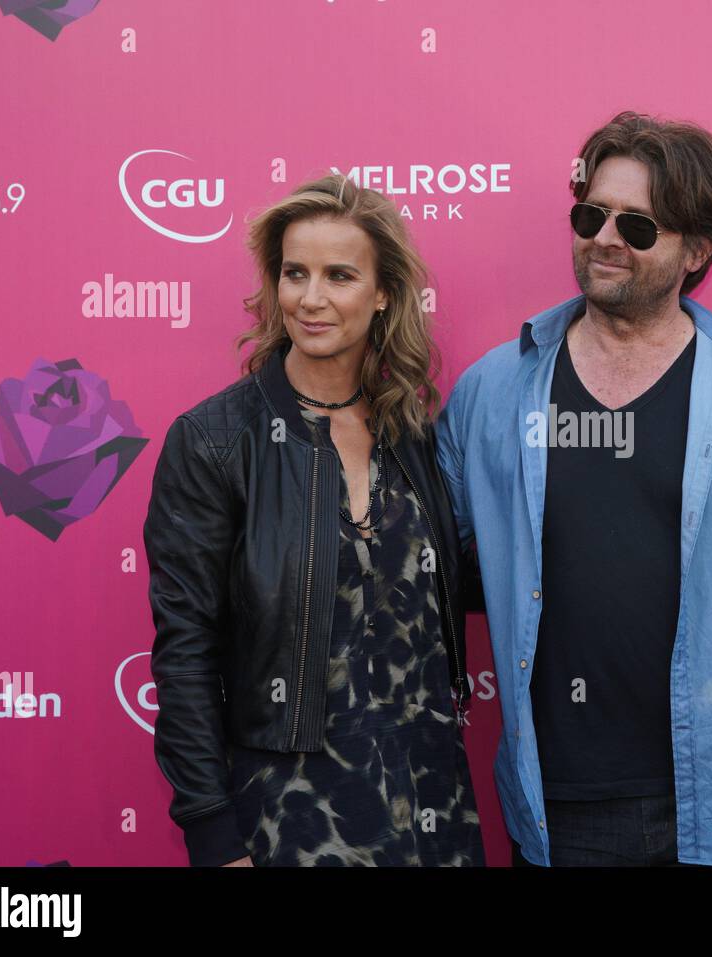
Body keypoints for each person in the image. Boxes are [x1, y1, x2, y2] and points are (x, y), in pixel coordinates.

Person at [437, 111, 712, 867]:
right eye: (590, 215)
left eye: (639, 227)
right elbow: (428, 567)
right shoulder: (493, 391)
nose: (605, 237)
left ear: (696, 250)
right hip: (552, 809)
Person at [143, 173, 483, 866]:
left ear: (383, 291)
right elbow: (185, 651)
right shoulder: (216, 441)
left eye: (339, 274)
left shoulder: (412, 433)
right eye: (294, 273)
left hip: (430, 802)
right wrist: (211, 833)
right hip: (293, 812)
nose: (311, 297)